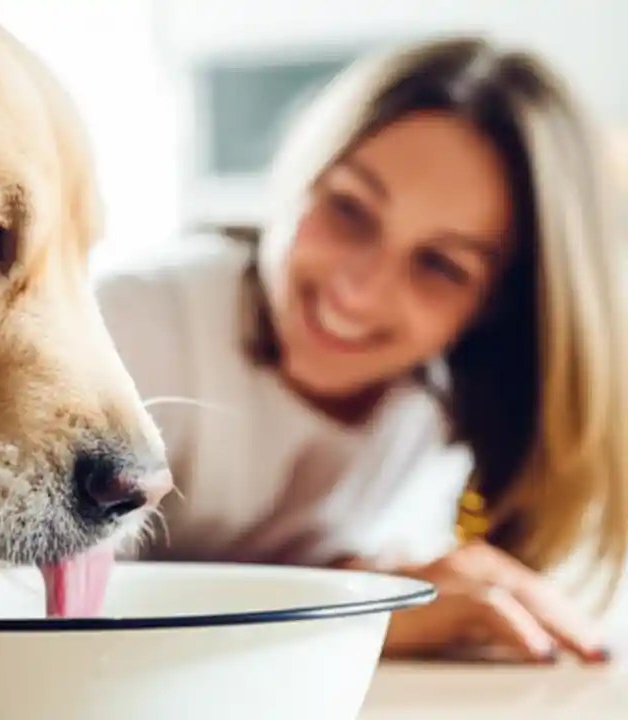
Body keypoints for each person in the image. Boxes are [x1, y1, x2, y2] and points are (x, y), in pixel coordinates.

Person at [97, 36, 628, 663]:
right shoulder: (127, 328)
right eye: (350, 209)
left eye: (440, 265)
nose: (357, 291)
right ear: (302, 176)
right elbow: (31, 606)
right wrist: (349, 613)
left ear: (496, 309)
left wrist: (378, 584)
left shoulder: (442, 412)